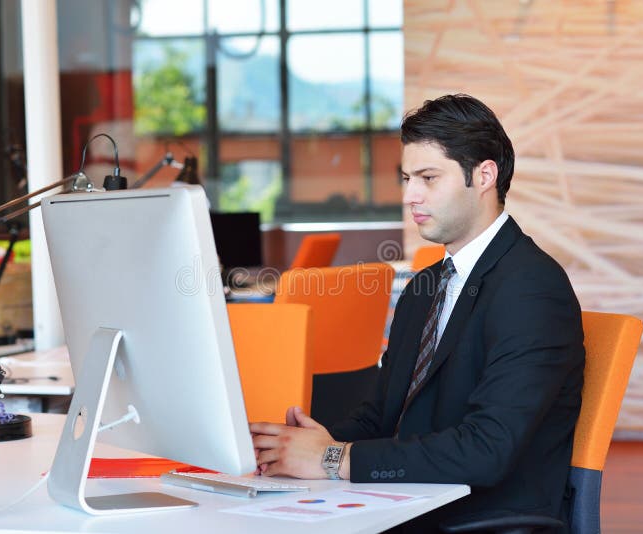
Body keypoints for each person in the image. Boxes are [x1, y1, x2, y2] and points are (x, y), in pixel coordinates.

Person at [250, 94, 585, 531]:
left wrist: (333, 458)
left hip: (482, 514)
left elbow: (487, 450)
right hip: (415, 498)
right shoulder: (425, 289)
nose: (410, 196)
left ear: (484, 175)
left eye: (429, 178)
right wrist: (313, 441)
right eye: (408, 178)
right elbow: (382, 414)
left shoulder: (532, 289)